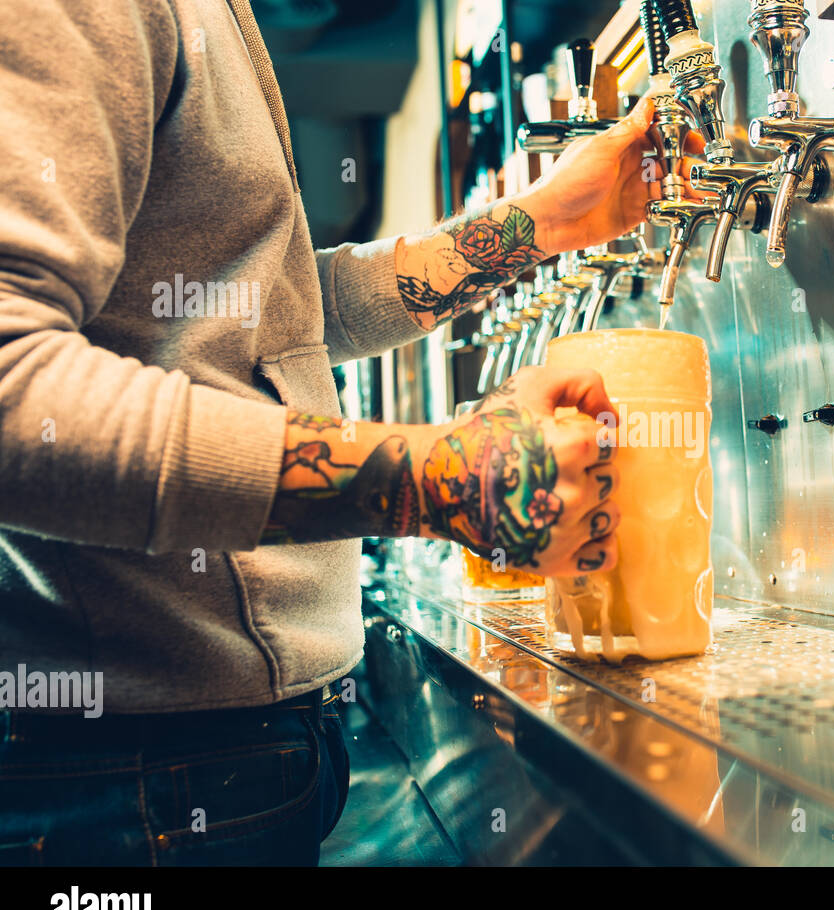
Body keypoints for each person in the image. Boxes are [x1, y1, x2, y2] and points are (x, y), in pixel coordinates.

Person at [0, 0, 694, 865]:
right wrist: (443, 479)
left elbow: (258, 310)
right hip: (125, 779)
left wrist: (537, 224)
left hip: (215, 754)